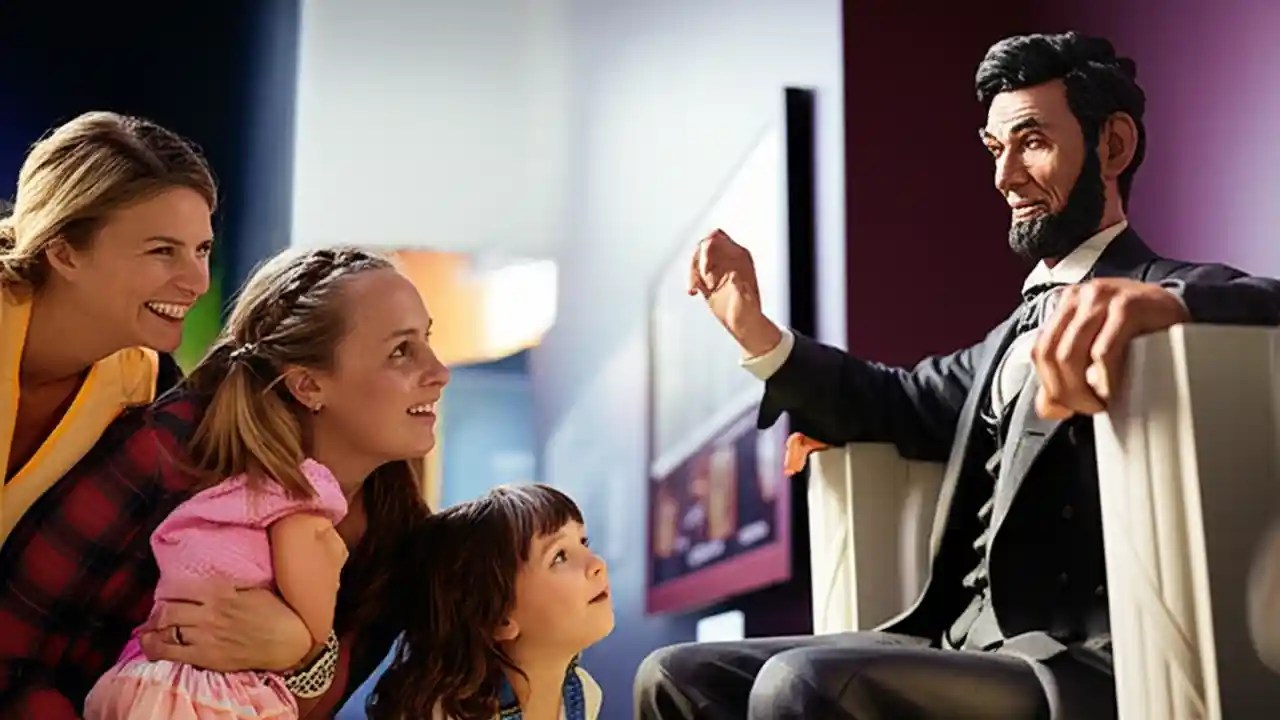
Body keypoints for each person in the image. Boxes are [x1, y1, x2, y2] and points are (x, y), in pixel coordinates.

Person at [636, 32, 1280, 720]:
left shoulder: (1168, 291)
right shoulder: (999, 344)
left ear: (1113, 146)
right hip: (949, 642)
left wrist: (1170, 304)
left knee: (799, 685)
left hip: (1073, 663)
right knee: (673, 676)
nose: (1006, 177)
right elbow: (891, 400)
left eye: (1032, 142)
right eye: (996, 150)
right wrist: (753, 330)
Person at [0, 246, 447, 718]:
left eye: (427, 340)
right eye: (401, 350)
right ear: (308, 385)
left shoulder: (399, 534)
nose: (439, 372)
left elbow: (311, 709)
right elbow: (8, 657)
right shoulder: (170, 453)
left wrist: (299, 653)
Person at [0, 111, 212, 542]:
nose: (198, 283)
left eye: (202, 249)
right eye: (162, 251)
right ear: (63, 253)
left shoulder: (152, 390)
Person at [370, 484, 612, 720]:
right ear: (500, 619)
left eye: (583, 542)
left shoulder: (584, 694)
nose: (596, 564)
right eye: (559, 556)